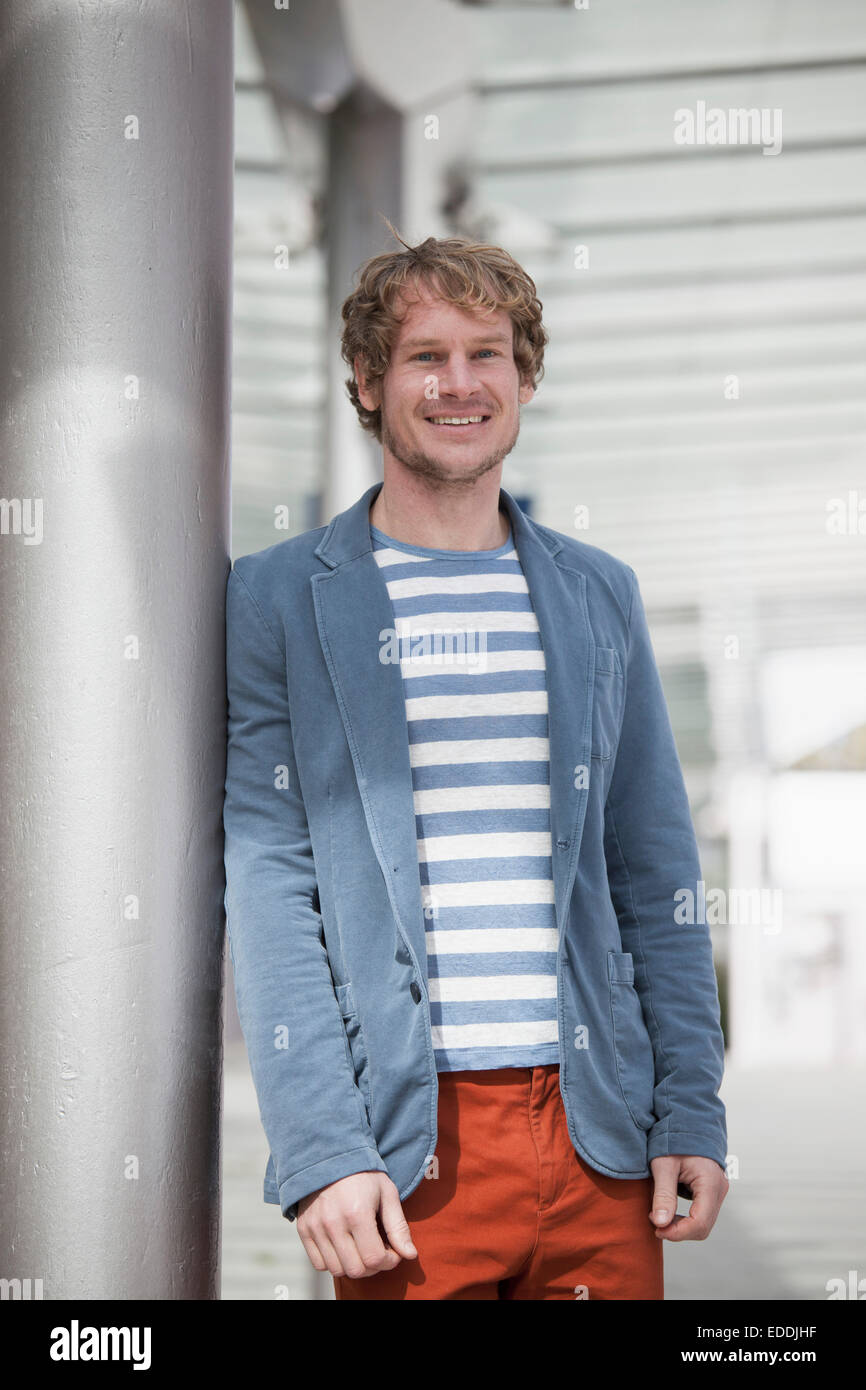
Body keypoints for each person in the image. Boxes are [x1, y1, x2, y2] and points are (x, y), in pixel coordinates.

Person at [222, 230, 728, 1301]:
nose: (459, 383)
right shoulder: (275, 598)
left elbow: (654, 867)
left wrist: (690, 1105)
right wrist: (321, 1146)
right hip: (408, 1152)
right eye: (423, 356)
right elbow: (271, 883)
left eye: (486, 353)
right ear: (366, 380)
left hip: (600, 1136)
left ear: (523, 375)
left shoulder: (597, 594)